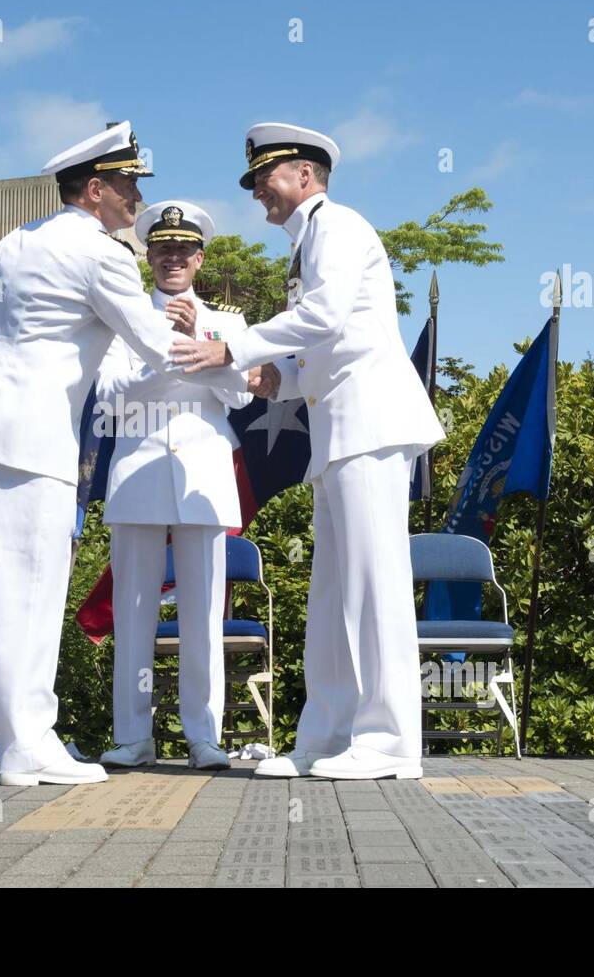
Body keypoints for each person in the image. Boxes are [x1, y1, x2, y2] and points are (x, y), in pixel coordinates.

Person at [0, 123, 255, 786]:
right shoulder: (101, 255)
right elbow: (152, 341)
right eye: (129, 184)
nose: (136, 197)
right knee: (29, 587)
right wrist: (229, 353)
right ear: (97, 189)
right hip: (30, 434)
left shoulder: (15, 241)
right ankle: (26, 746)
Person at [172, 123, 445, 780]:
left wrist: (234, 348)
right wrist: (277, 377)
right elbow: (327, 347)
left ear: (304, 173)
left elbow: (324, 317)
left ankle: (389, 744)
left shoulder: (339, 226)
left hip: (369, 423)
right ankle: (326, 734)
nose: (257, 192)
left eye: (264, 177)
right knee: (332, 594)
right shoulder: (307, 245)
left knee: (372, 586)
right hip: (339, 429)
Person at [96, 201, 251, 772]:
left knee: (203, 614)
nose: (173, 258)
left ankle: (203, 735)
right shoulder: (124, 317)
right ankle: (132, 735)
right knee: (134, 613)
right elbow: (111, 396)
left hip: (204, 476)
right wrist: (168, 353)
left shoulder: (227, 322)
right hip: (137, 474)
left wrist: (204, 339)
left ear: (200, 258)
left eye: (184, 250)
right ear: (149, 257)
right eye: (163, 249)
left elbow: (240, 395)